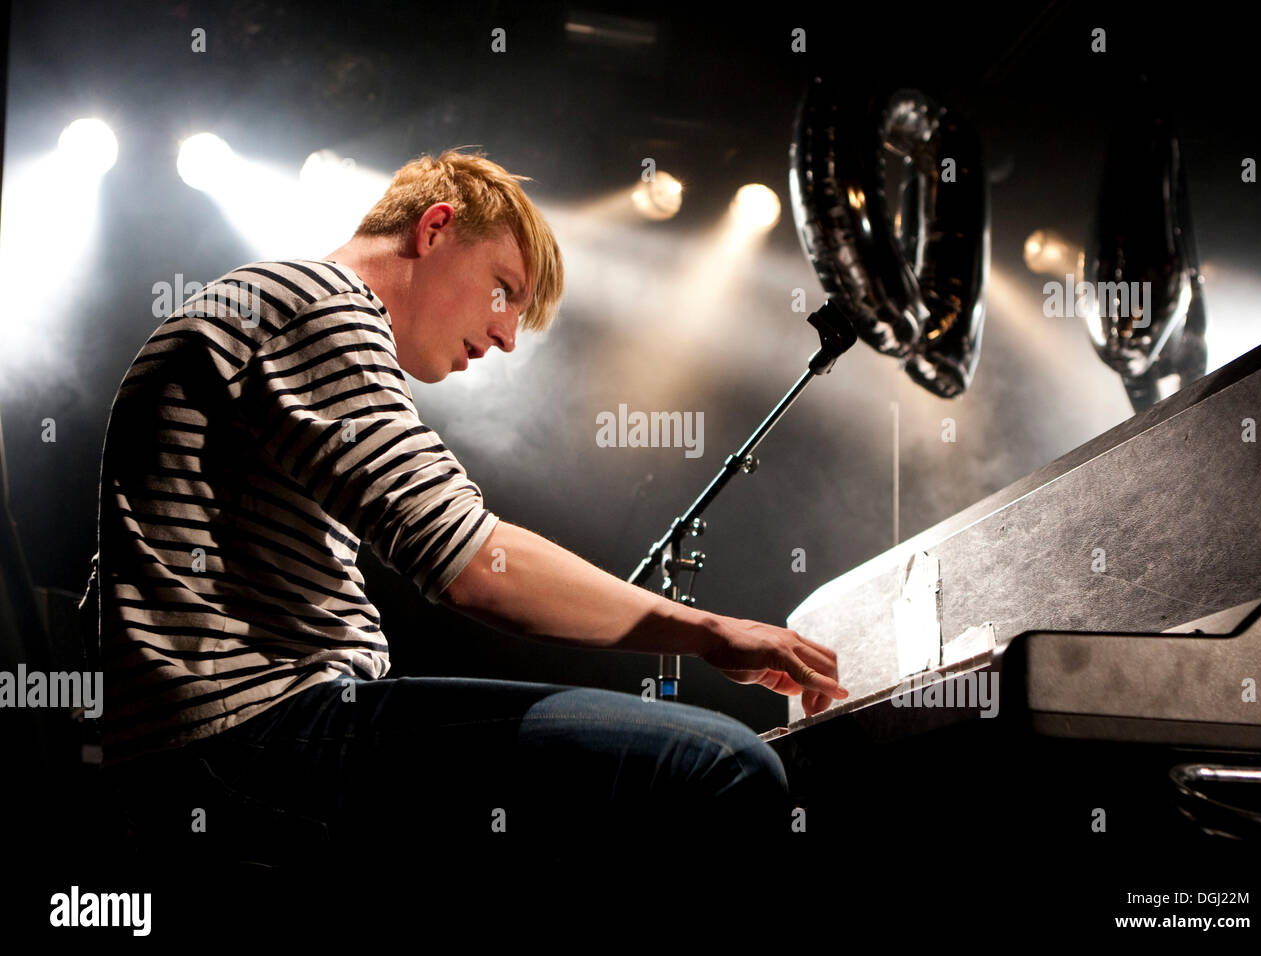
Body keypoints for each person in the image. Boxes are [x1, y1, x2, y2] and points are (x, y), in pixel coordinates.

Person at [93, 149, 847, 866]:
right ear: (435, 228)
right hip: (252, 742)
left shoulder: (265, 310)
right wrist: (710, 632)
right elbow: (472, 564)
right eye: (505, 291)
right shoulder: (315, 305)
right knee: (723, 765)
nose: (507, 336)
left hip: (198, 752)